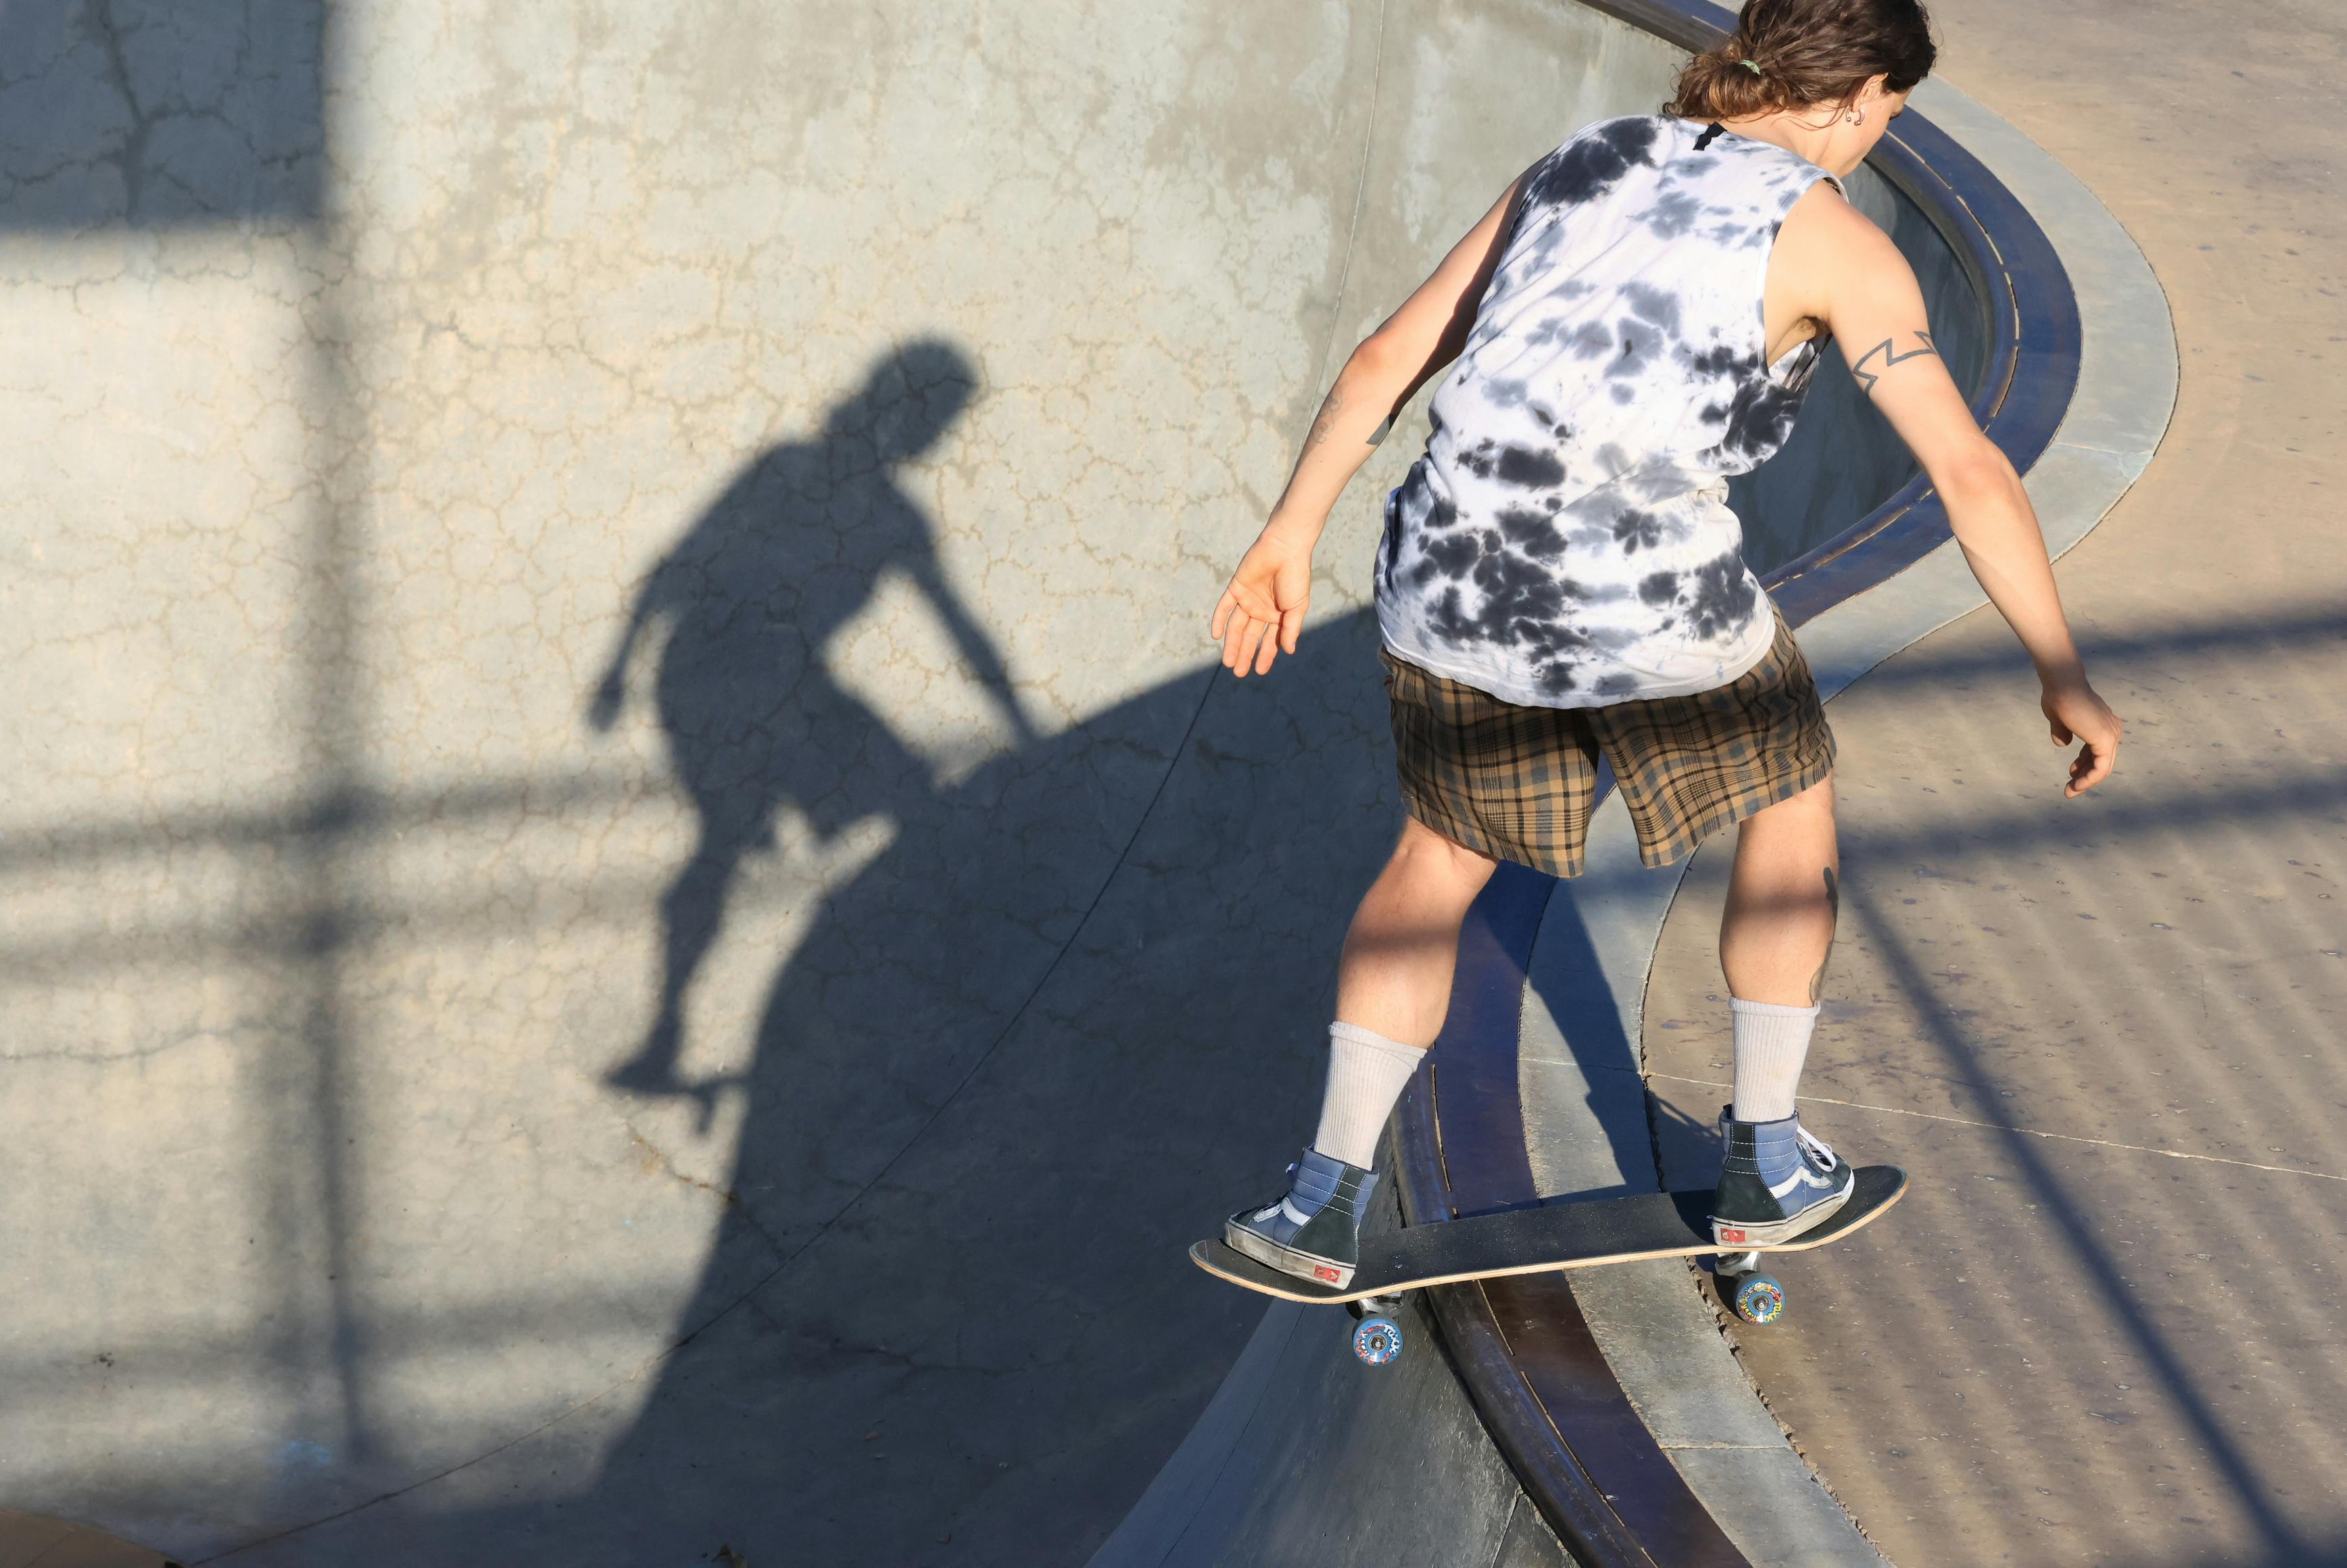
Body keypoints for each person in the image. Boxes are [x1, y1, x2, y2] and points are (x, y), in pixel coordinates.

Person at [1211, 0, 2121, 1288]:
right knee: (1793, 795)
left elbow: (1384, 357)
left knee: (1437, 857)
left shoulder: (1579, 159)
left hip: (1449, 582)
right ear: (1854, 96)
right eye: (1885, 121)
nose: (1872, 145)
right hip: (1647, 606)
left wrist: (1288, 535)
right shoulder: (1838, 244)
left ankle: (1321, 1202)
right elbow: (1970, 471)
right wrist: (2062, 671)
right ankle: (1768, 1153)